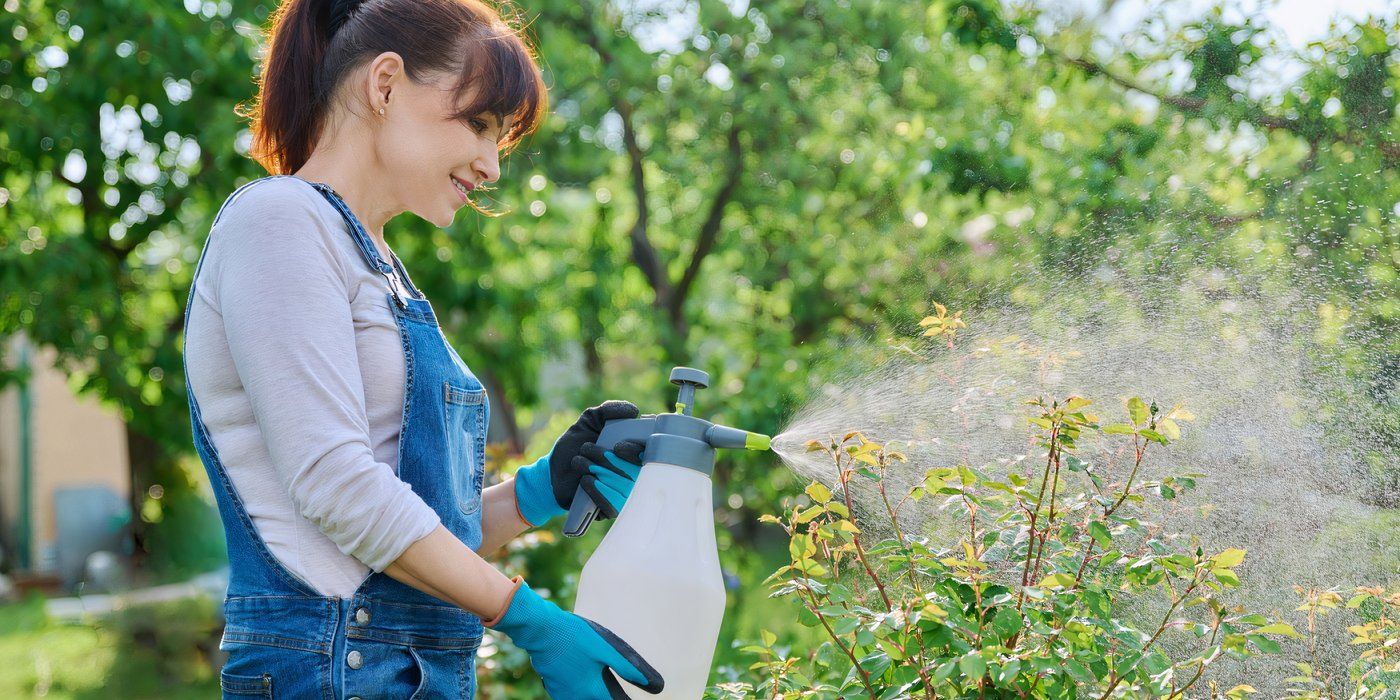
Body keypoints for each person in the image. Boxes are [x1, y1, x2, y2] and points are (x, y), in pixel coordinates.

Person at [181, 0, 664, 697]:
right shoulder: (279, 221)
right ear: (384, 85)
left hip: (397, 674)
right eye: (478, 124)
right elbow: (338, 489)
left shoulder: (379, 267)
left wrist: (537, 493)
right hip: (326, 671)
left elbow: (402, 543)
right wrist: (530, 618)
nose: (491, 166)